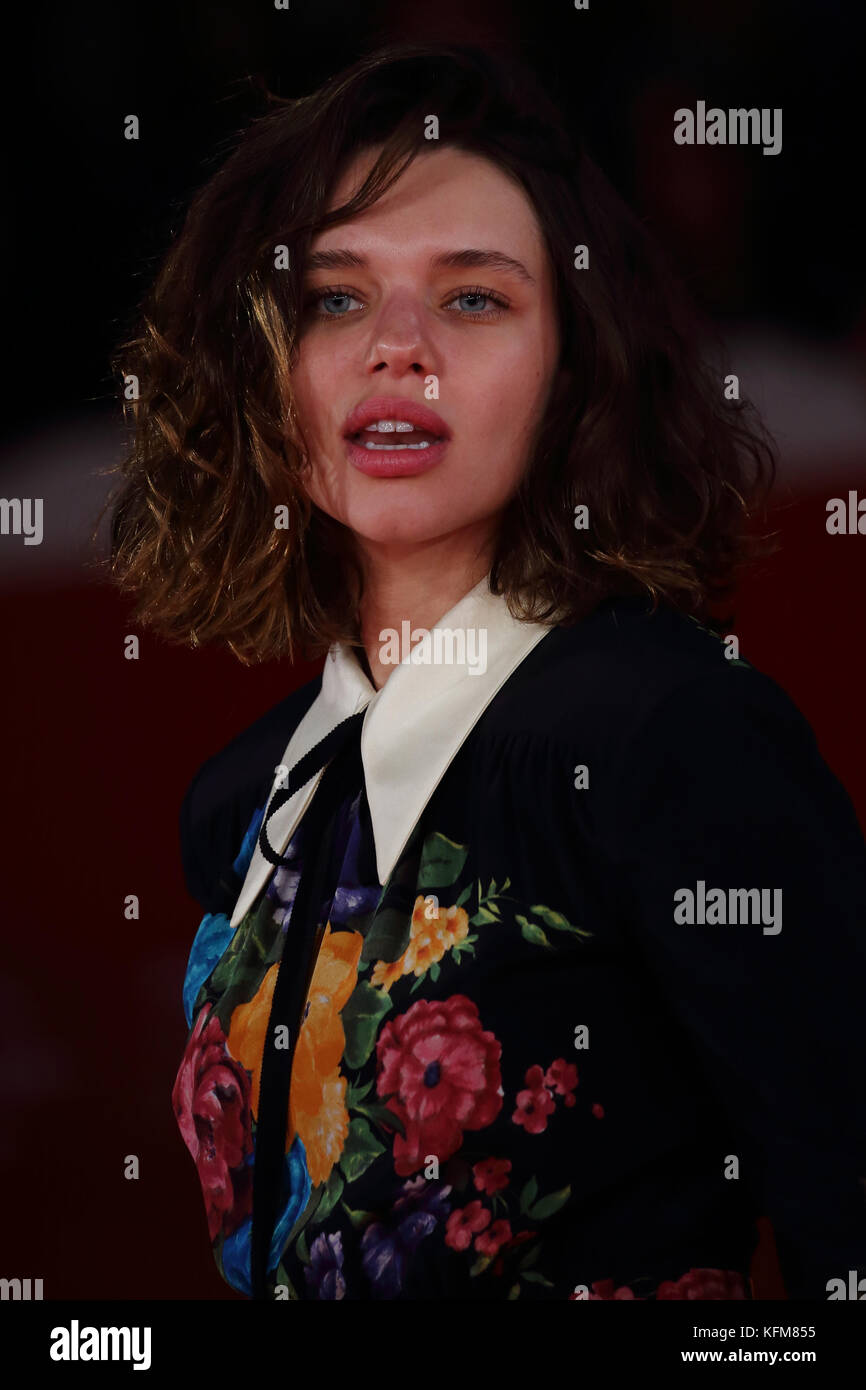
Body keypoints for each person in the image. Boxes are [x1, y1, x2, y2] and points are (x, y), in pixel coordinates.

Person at [106, 42, 866, 1301]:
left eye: (472, 299)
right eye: (335, 298)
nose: (395, 347)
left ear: (575, 373)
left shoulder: (674, 735)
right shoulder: (241, 802)